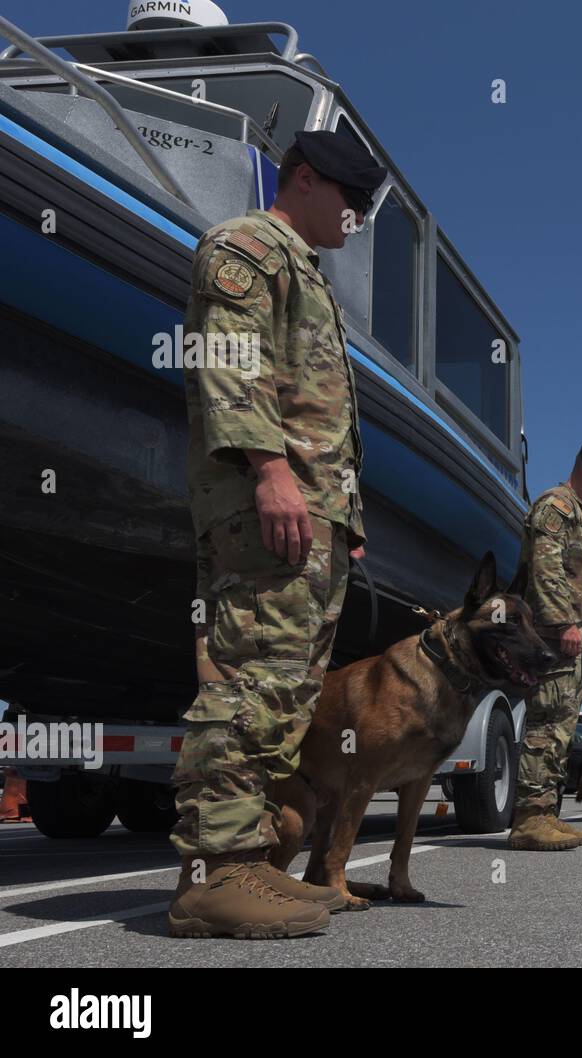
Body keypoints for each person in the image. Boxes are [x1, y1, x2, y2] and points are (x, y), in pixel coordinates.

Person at [168, 130, 387, 938]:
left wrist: (345, 522)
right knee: (249, 682)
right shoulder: (247, 247)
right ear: (302, 178)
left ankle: (249, 858)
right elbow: (228, 359)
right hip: (268, 508)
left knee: (286, 692)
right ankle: (208, 875)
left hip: (313, 518)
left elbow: (318, 411)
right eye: (350, 201)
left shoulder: (306, 274)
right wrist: (268, 472)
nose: (356, 218)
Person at [508, 440, 582, 851]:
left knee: (561, 727)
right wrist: (563, 625)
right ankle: (527, 821)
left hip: (572, 641)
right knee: (545, 725)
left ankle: (545, 815)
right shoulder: (555, 507)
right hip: (552, 637)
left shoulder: (580, 515)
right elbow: (545, 571)